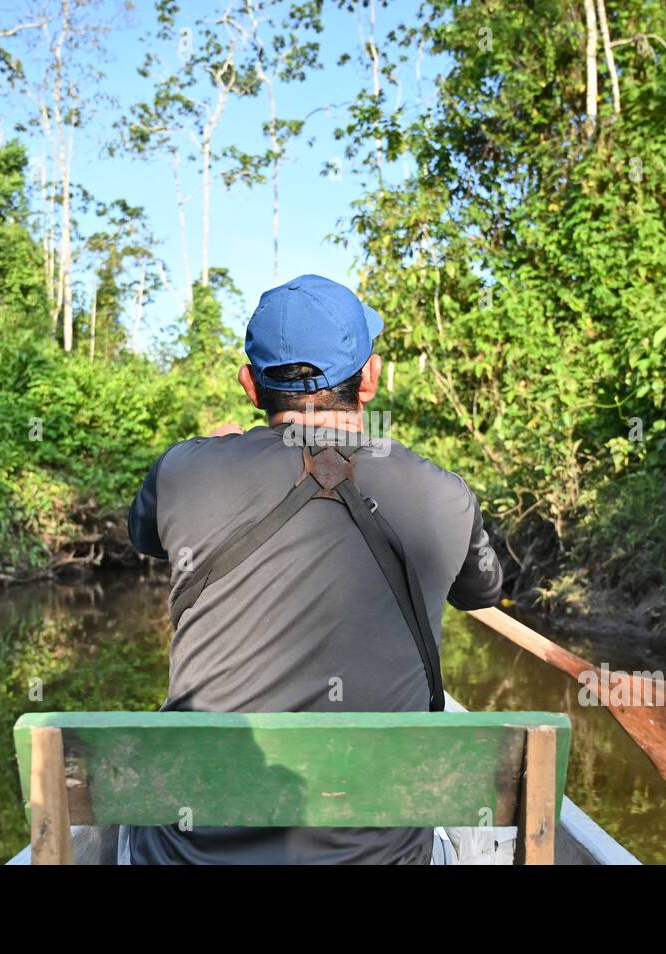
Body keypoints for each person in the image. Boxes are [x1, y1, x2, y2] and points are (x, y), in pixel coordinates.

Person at [125, 274, 503, 864]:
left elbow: (144, 536)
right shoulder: (446, 496)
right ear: (370, 378)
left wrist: (209, 450)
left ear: (251, 385)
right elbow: (483, 591)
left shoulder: (181, 472)